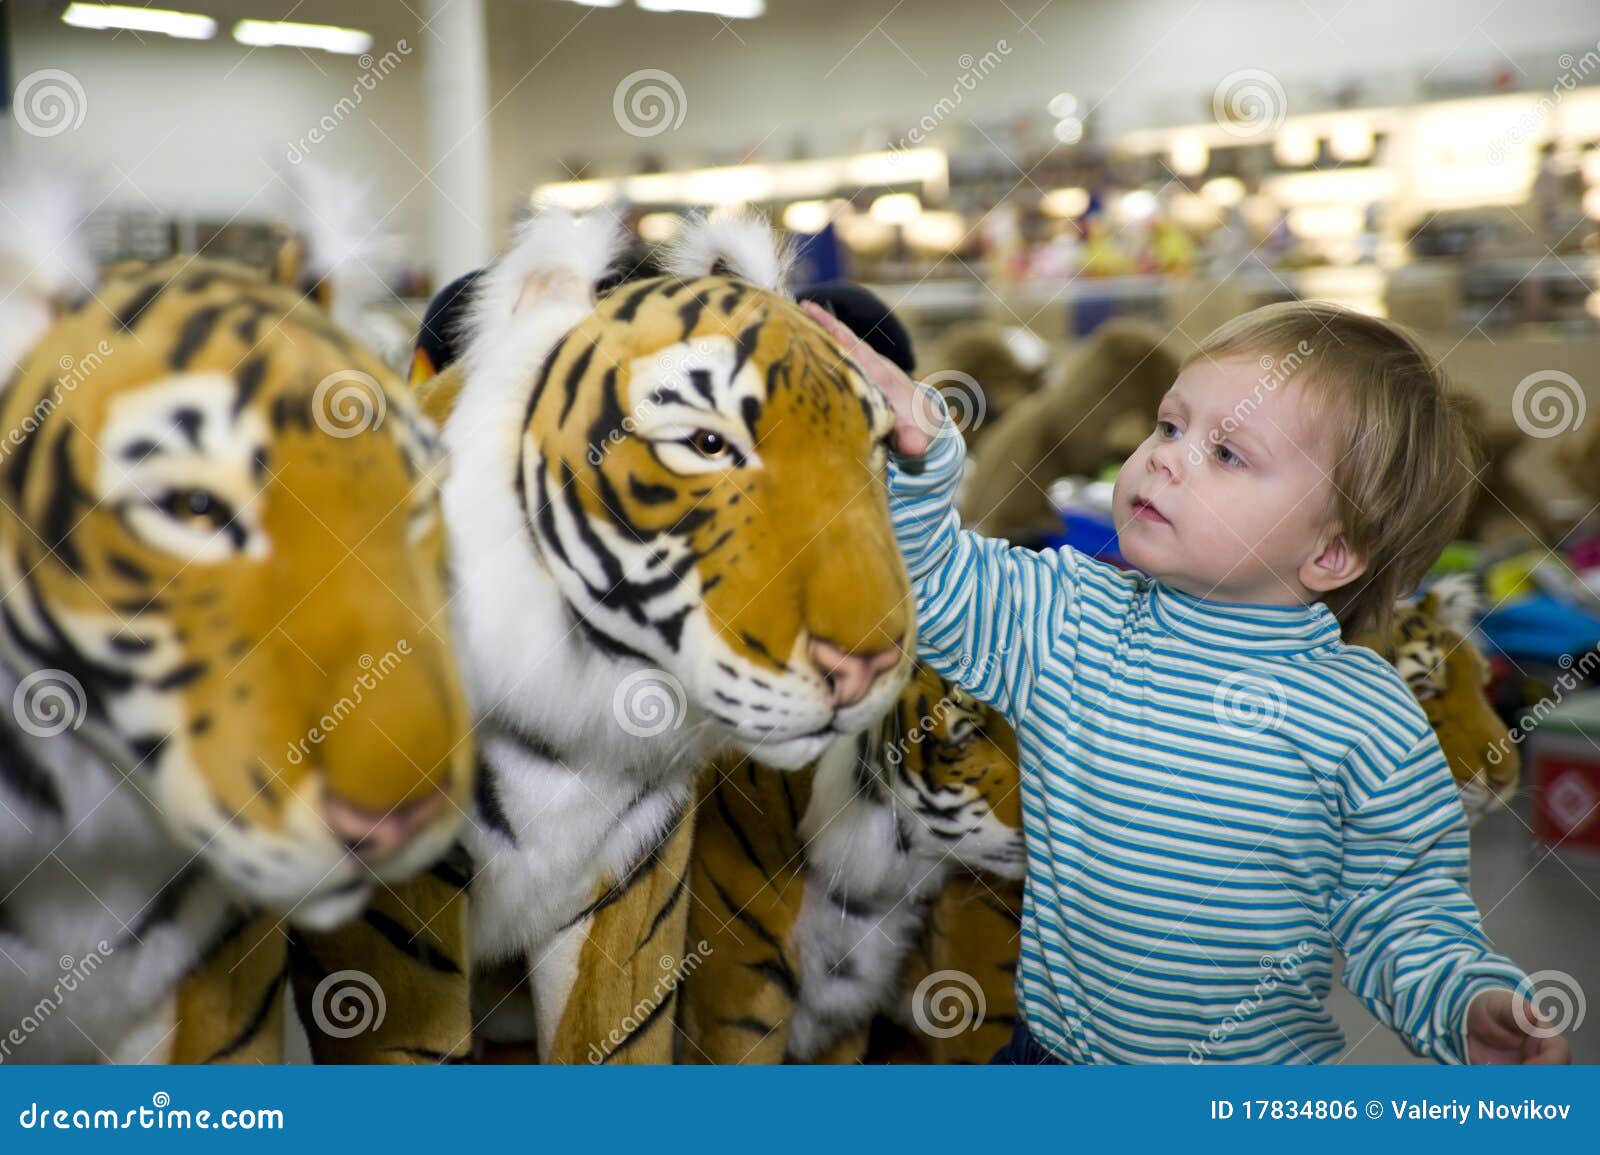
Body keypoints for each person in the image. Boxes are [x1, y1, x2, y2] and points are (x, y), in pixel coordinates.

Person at [804, 298, 1571, 1065]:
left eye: (1227, 453)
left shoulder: (1367, 721)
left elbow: (1403, 911)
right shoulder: (1068, 620)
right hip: (1051, 1060)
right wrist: (919, 456)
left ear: (1332, 554)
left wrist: (1467, 1002)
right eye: (1170, 426)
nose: (1165, 456)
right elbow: (932, 578)